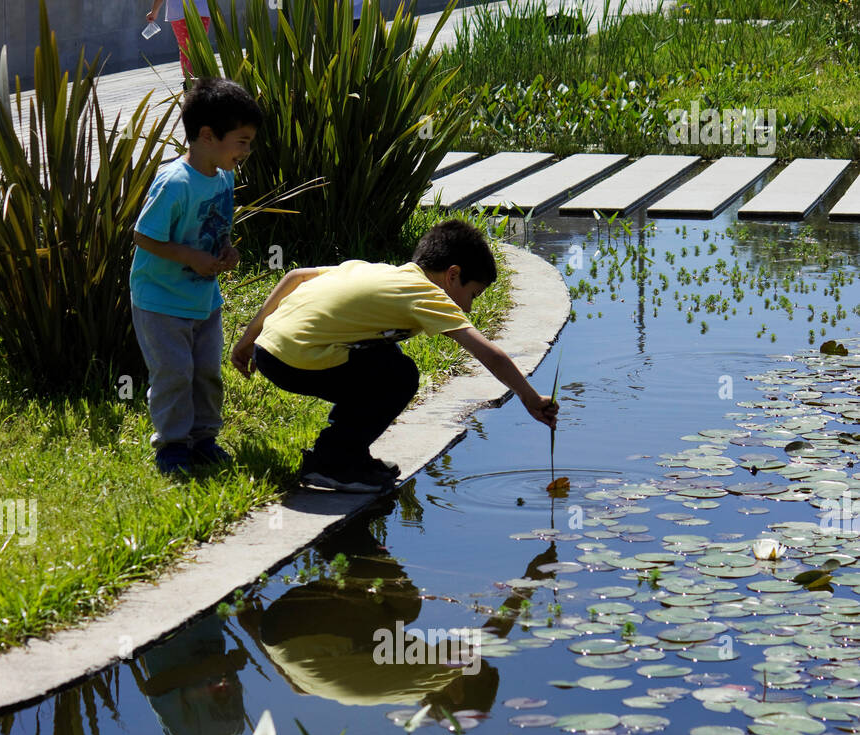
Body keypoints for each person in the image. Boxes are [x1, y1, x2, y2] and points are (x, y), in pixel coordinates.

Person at [230, 219, 559, 494]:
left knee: (385, 357)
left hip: (271, 350)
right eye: (472, 294)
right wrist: (529, 397)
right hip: (295, 360)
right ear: (453, 274)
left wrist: (248, 341)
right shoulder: (427, 293)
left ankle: (349, 456)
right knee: (399, 375)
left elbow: (295, 277)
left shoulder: (383, 272)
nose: (469, 307)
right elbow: (490, 353)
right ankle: (332, 464)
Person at [130, 77, 263, 476]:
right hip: (162, 300)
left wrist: (228, 251)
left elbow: (217, 228)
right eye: (241, 141)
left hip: (205, 300)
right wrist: (188, 255)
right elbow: (142, 235)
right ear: (207, 136)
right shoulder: (174, 182)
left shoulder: (224, 176)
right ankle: (172, 446)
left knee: (206, 371)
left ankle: (204, 439)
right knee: (173, 373)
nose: (247, 151)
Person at [145, 0, 212, 83]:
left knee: (185, 49)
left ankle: (189, 82)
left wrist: (154, 11)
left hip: (178, 11)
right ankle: (195, 81)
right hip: (200, 9)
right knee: (199, 47)